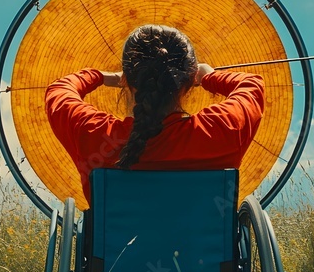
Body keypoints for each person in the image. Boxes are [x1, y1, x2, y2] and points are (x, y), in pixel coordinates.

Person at [45, 24, 265, 205]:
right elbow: (252, 85)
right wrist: (210, 77)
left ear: (127, 79)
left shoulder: (93, 134)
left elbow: (59, 91)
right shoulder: (221, 130)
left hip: (117, 248)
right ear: (190, 79)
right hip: (204, 247)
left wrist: (101, 76)